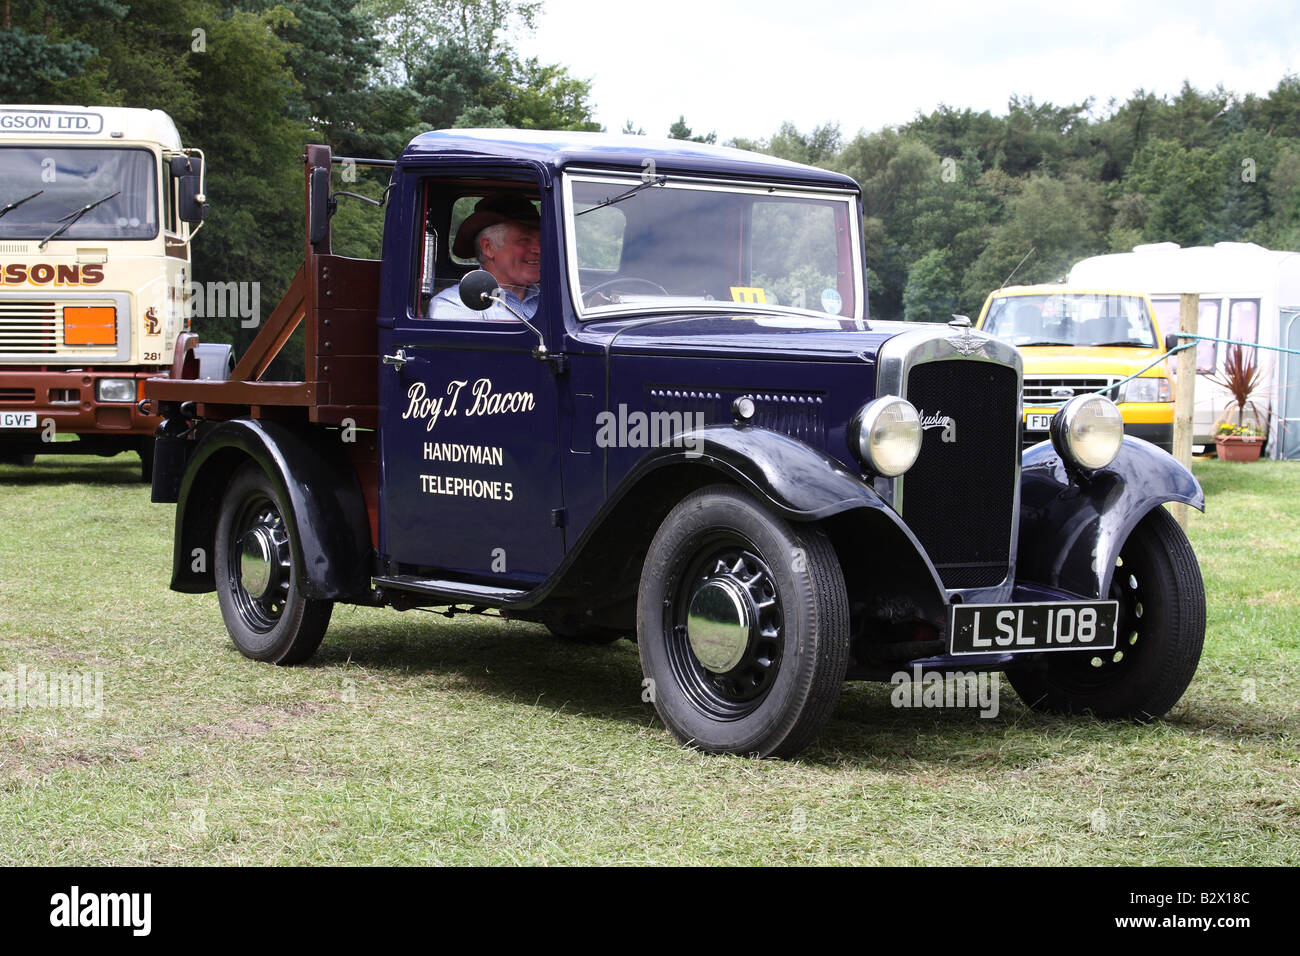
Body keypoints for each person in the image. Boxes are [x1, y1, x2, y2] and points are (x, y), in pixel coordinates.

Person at [429, 193, 541, 321]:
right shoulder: (452, 305)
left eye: (542, 240)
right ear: (489, 247)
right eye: (524, 239)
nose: (539, 249)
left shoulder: (558, 301)